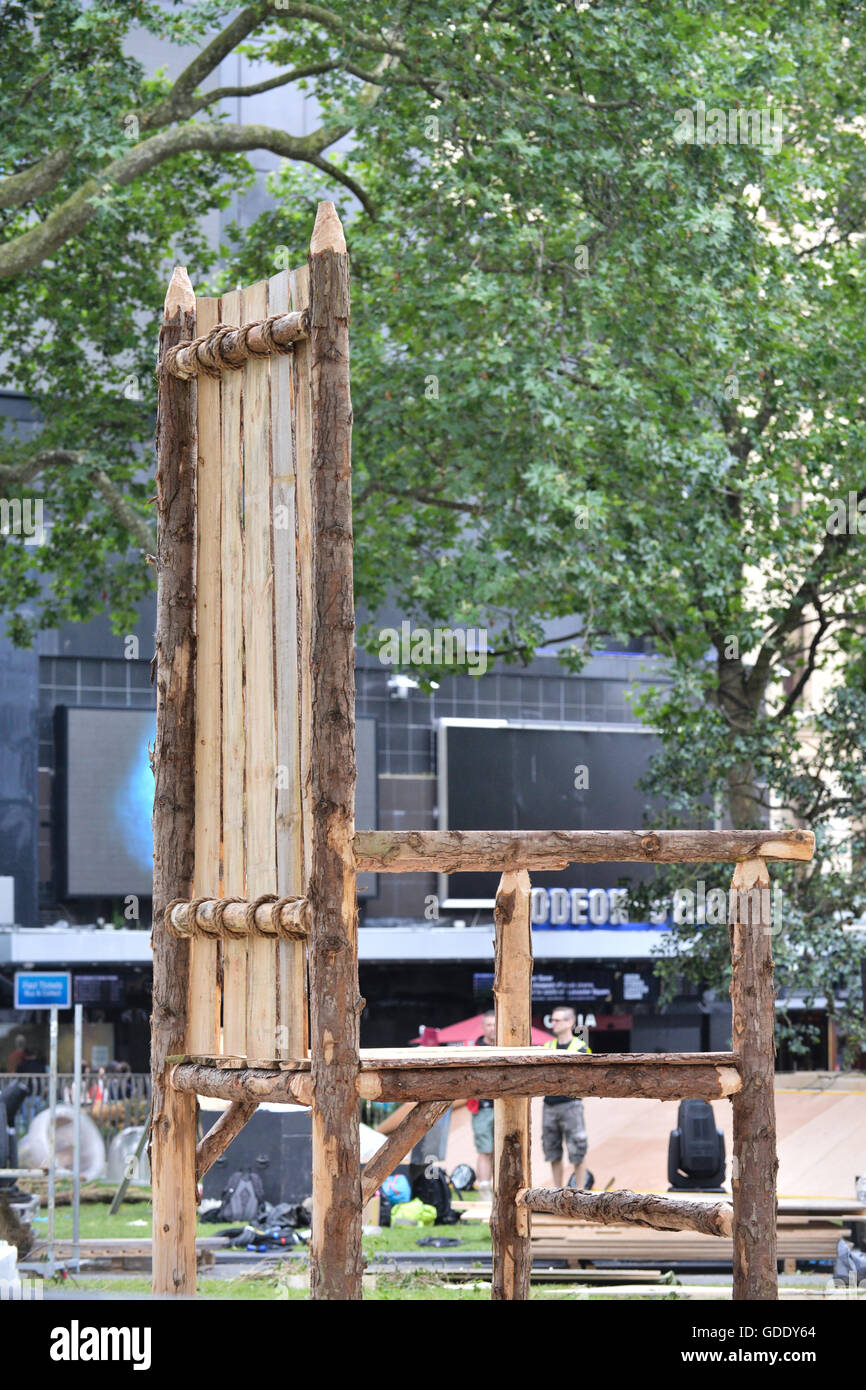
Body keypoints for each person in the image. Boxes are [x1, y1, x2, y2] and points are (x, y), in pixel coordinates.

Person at [542, 1005, 593, 1190]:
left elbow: (587, 1078)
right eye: (552, 1019)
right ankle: (557, 1192)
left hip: (571, 1104)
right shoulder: (547, 1047)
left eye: (557, 1020)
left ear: (570, 1022)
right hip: (549, 1105)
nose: (553, 1023)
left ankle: (580, 1192)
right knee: (552, 1151)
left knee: (578, 1150)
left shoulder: (581, 1047)